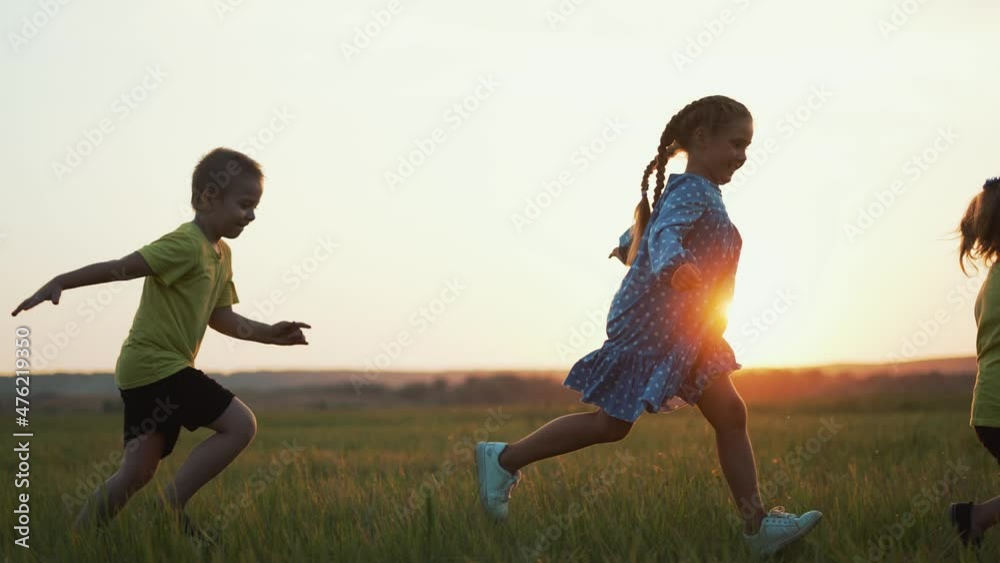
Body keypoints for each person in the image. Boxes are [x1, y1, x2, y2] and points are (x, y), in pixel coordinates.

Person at [474, 96, 822, 556]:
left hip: (689, 332)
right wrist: (675, 266)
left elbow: (648, 231)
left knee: (726, 416)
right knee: (612, 424)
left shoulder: (689, 192)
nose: (743, 155)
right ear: (702, 139)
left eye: (748, 147)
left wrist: (627, 247)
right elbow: (664, 235)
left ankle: (757, 526)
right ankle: (504, 458)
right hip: (659, 333)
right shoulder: (693, 192)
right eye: (736, 143)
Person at [12, 147, 311, 543]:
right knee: (241, 425)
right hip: (159, 366)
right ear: (207, 197)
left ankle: (74, 544)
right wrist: (62, 280)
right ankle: (168, 510)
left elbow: (221, 317)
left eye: (255, 207)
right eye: (244, 205)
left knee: (137, 472)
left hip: (143, 371)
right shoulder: (184, 244)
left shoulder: (222, 255)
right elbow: (123, 268)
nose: (251, 215)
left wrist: (271, 334)